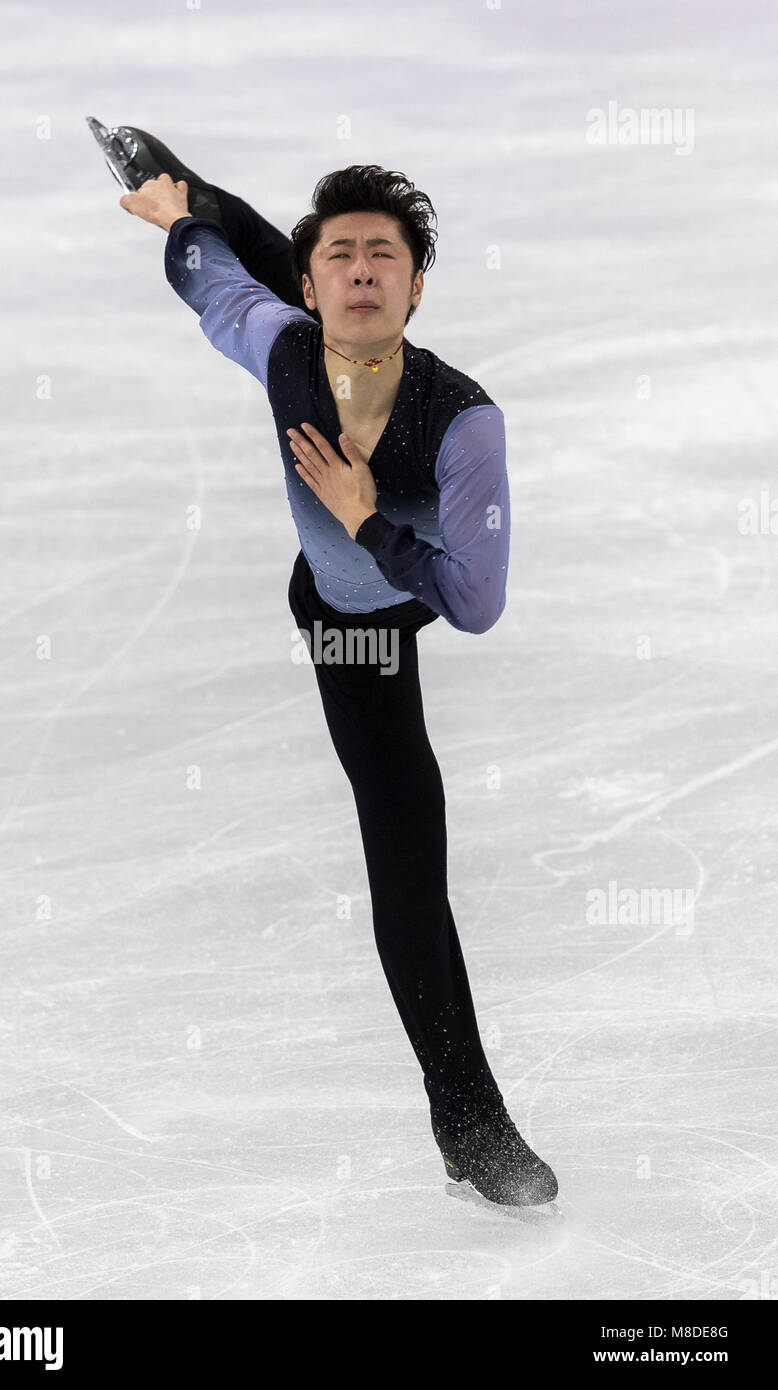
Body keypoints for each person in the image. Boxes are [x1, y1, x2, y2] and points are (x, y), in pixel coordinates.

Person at [115, 143, 558, 1206]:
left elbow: (476, 601)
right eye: (339, 258)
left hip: (418, 581)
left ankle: (216, 193)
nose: (362, 271)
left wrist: (366, 517)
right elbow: (217, 286)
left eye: (385, 258)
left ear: (417, 285)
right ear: (308, 287)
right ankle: (469, 1118)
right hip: (351, 622)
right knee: (408, 843)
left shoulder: (461, 422)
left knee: (420, 583)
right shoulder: (281, 349)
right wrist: (183, 222)